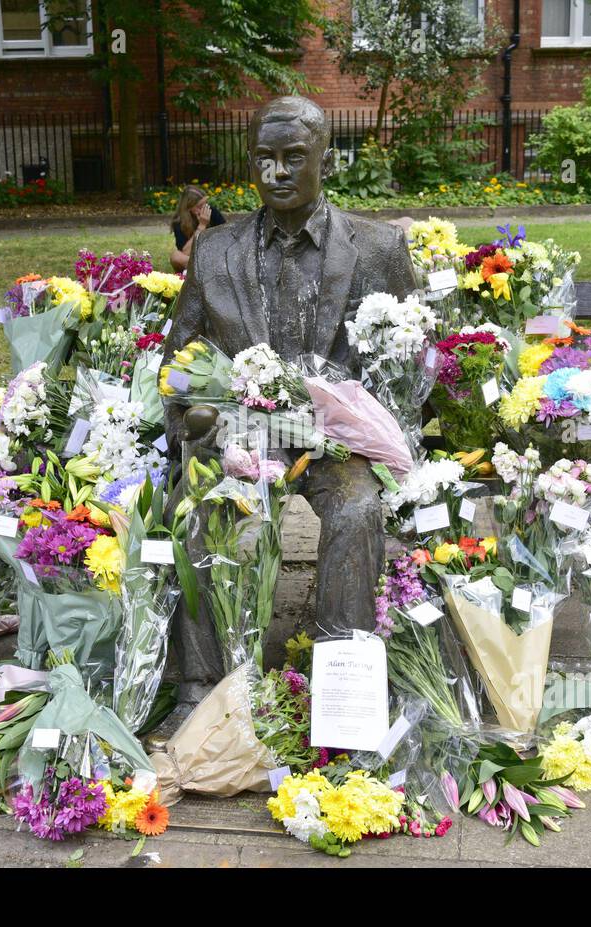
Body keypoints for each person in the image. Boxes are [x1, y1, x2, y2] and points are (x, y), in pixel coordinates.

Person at [161, 95, 417, 702]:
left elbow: (412, 364)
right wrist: (192, 426)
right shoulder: (217, 251)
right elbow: (178, 355)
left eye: (293, 158)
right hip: (241, 441)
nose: (277, 172)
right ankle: (207, 685)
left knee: (356, 512)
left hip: (341, 448)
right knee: (194, 510)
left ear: (325, 161)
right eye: (264, 158)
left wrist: (374, 431)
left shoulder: (378, 250)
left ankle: (342, 689)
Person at [170, 186, 226, 271]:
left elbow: (226, 237)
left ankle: (208, 268)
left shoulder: (212, 212)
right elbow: (185, 253)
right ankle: (206, 269)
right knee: (175, 256)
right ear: (188, 207)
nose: (204, 208)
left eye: (205, 203)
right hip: (192, 259)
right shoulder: (179, 222)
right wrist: (201, 226)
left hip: (214, 255)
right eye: (199, 206)